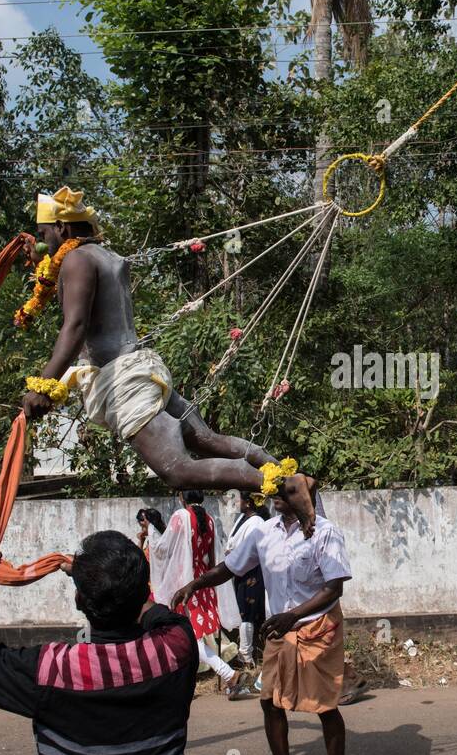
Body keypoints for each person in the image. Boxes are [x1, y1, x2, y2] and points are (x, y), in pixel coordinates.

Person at [18, 186, 315, 533]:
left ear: (63, 229)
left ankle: (286, 487)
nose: (44, 243)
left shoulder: (76, 260)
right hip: (141, 368)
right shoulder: (105, 257)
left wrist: (44, 384)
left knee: (176, 469)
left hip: (123, 380)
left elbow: (76, 325)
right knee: (208, 441)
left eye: (45, 234)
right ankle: (289, 473)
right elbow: (68, 288)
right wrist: (39, 260)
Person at [0, 534, 198, 755]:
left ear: (78, 601)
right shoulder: (176, 647)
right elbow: (158, 613)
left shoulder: (53, 670)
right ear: (144, 591)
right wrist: (111, 581)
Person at [173, 471, 352, 755]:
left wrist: (293, 616)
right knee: (269, 703)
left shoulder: (325, 532)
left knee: (325, 708)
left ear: (303, 496)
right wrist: (196, 584)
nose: (275, 495)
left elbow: (334, 587)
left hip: (317, 628)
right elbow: (231, 567)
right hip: (279, 632)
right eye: (274, 490)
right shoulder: (263, 532)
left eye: (285, 490)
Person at [147, 493, 248, 698]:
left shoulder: (180, 516)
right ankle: (190, 683)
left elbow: (164, 548)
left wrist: (152, 533)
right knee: (192, 636)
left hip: (185, 583)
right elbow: (211, 557)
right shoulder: (209, 519)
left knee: (190, 637)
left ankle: (228, 674)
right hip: (203, 580)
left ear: (181, 496)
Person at [225, 491, 269, 668]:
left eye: (238, 499)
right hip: (239, 570)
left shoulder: (256, 522)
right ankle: (246, 654)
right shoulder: (243, 519)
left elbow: (248, 548)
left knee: (247, 613)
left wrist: (233, 552)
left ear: (248, 503)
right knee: (242, 611)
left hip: (251, 571)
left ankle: (247, 655)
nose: (236, 502)